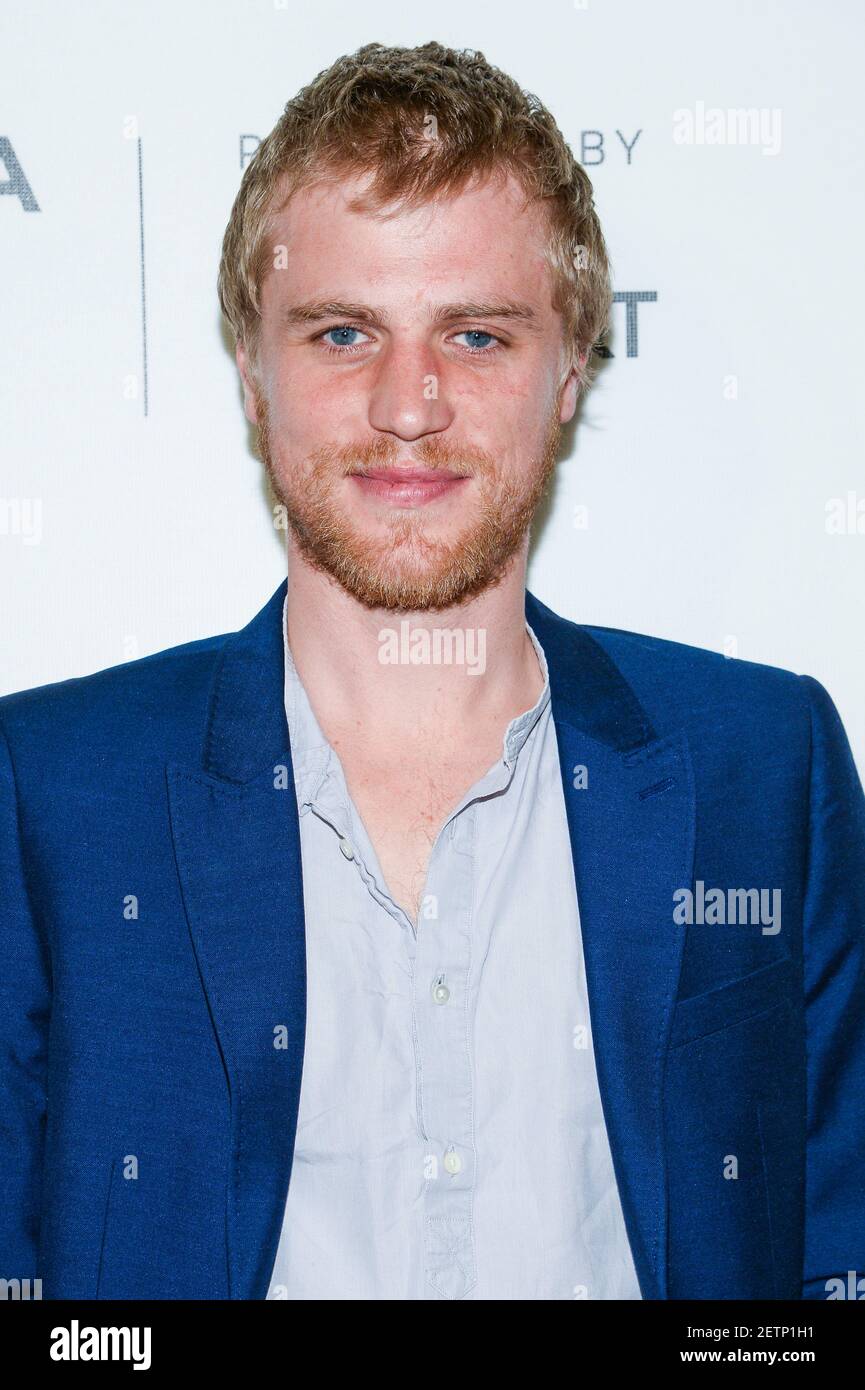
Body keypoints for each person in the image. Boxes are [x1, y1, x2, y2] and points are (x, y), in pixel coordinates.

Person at [1, 40, 863, 1301]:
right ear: (253, 372)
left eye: (475, 333)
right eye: (344, 331)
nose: (411, 404)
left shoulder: (762, 767)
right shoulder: (51, 793)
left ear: (571, 368)